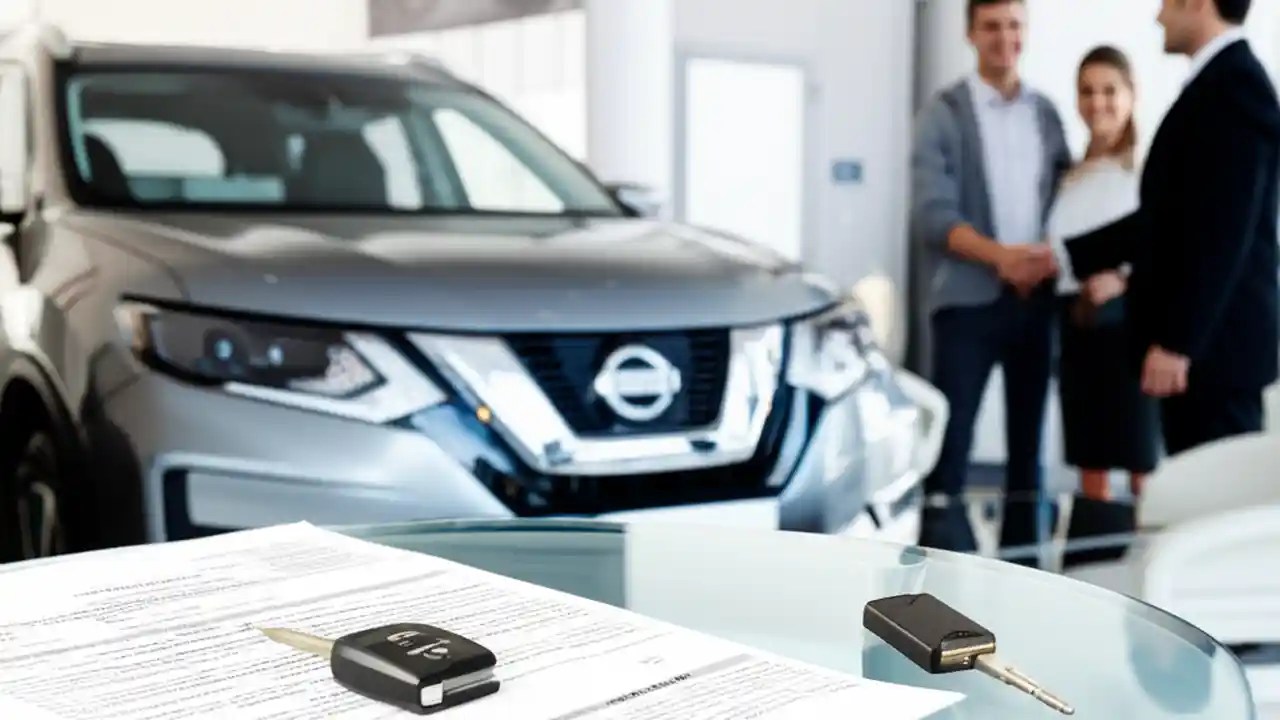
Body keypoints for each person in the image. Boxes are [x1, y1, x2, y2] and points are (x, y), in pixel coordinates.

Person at [1065, 0, 1280, 459]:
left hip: (1212, 360)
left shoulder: (1235, 88)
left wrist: (1179, 343)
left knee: (1215, 515)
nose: (1158, 16)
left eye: (1166, 2)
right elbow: (1175, 218)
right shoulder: (1218, 84)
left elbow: (1224, 234)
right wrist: (1066, 256)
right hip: (1205, 357)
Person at [910, 0, 1071, 563]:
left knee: (1030, 452)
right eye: (992, 27)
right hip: (967, 305)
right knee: (952, 447)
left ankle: (1024, 568)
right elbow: (933, 216)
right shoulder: (944, 113)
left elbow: (1066, 203)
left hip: (1036, 302)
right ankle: (939, 578)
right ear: (971, 34)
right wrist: (1003, 259)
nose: (1005, 38)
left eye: (1014, 26)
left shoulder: (1047, 113)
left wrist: (1041, 263)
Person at [1047, 47, 1161, 567]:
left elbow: (1169, 245)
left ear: (1131, 95)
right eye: (1088, 91)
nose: (1099, 102)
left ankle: (1157, 567)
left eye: (1110, 90)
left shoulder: (1148, 171)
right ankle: (1095, 573)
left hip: (1130, 331)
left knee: (1142, 461)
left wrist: (1122, 279)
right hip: (1077, 332)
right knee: (1090, 459)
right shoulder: (1069, 175)